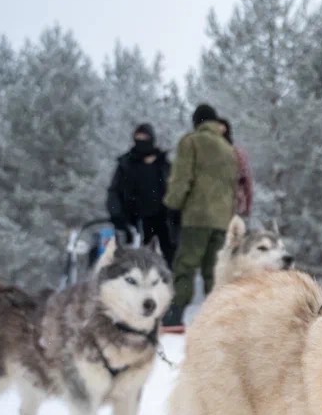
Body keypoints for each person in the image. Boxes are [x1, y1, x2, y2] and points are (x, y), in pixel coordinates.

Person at [162, 104, 239, 327]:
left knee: (185, 265)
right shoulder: (228, 149)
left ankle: (175, 313)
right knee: (213, 270)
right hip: (222, 219)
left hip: (196, 217)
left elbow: (181, 178)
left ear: (197, 121)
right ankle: (219, 319)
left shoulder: (191, 141)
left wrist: (172, 206)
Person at [105, 123, 175, 265]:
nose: (141, 140)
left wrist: (176, 214)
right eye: (138, 137)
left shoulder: (163, 164)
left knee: (166, 262)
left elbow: (174, 190)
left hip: (162, 221)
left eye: (144, 137)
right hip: (133, 222)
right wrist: (116, 213)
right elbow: (114, 191)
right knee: (133, 263)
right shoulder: (126, 164)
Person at [221, 118, 255, 218]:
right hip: (236, 206)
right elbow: (248, 184)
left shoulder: (238, 154)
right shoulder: (239, 153)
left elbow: (247, 182)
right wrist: (248, 207)